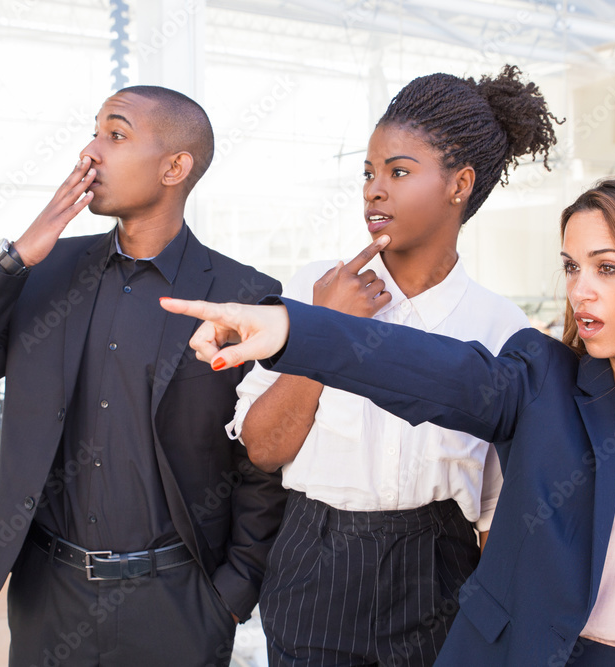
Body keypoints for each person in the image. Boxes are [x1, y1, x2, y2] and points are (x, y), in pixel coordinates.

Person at [161, 175, 615, 666]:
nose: (581, 291)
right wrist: (292, 328)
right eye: (573, 267)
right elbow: (433, 372)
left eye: (607, 268)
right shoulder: (542, 382)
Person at [0, 85, 287, 667]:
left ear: (174, 167)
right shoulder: (40, 273)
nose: (90, 152)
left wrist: (233, 593)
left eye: (115, 134)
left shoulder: (242, 297)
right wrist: (15, 258)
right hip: (47, 595)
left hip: (177, 606)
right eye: (93, 132)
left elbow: (258, 459)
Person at [227, 66, 558, 666]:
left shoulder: (501, 330)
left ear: (459, 184)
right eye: (369, 172)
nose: (374, 190)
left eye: (399, 172)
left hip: (440, 571)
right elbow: (264, 449)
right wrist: (327, 332)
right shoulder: (313, 292)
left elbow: (498, 512)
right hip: (315, 562)